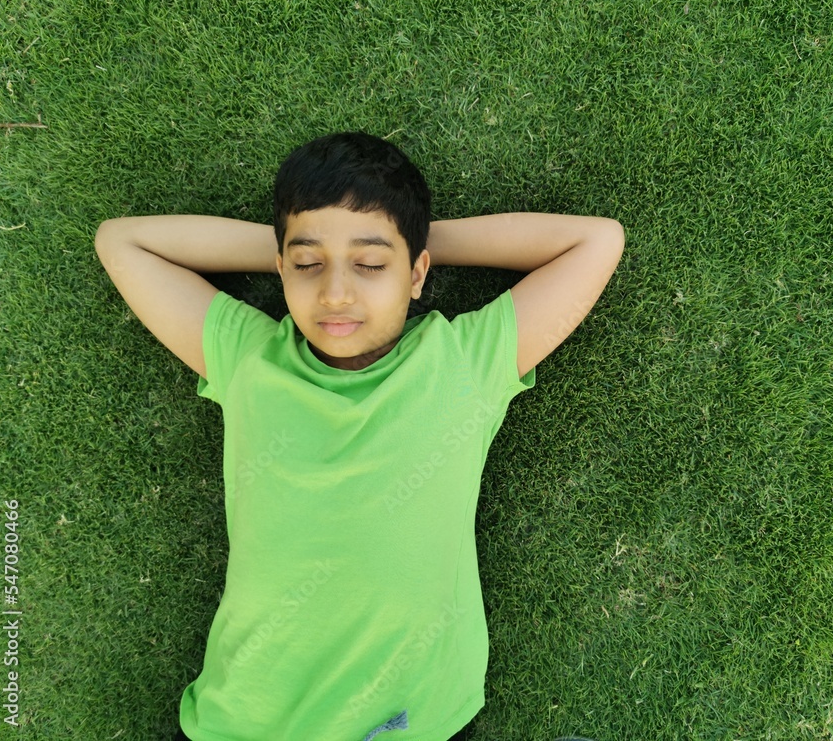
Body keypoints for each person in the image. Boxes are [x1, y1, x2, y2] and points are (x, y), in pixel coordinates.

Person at [95, 132, 622, 741]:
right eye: (307, 265)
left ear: (418, 272)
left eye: (371, 265)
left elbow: (596, 241)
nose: (336, 291)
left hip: (401, 721)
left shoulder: (464, 360)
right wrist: (318, 241)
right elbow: (123, 241)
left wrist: (411, 237)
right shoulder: (249, 356)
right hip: (247, 721)